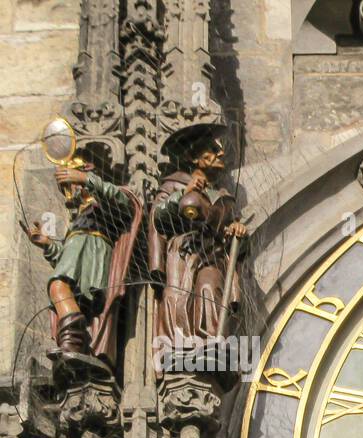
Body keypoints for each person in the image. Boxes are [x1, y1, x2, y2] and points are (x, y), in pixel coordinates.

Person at [25, 142, 140, 378]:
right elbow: (66, 256)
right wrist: (47, 245)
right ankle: (73, 341)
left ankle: (73, 334)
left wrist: (86, 179)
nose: (69, 190)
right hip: (79, 251)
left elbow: (124, 203)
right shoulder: (78, 216)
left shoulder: (104, 202)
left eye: (70, 182)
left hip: (94, 251)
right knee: (59, 287)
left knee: (58, 286)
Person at [149, 123, 248, 354]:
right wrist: (182, 194)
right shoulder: (174, 184)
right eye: (213, 149)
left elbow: (235, 241)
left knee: (209, 287)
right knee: (178, 295)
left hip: (212, 252)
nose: (221, 153)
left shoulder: (224, 197)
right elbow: (156, 218)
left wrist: (237, 230)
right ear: (194, 157)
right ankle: (178, 347)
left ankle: (210, 343)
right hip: (182, 250)